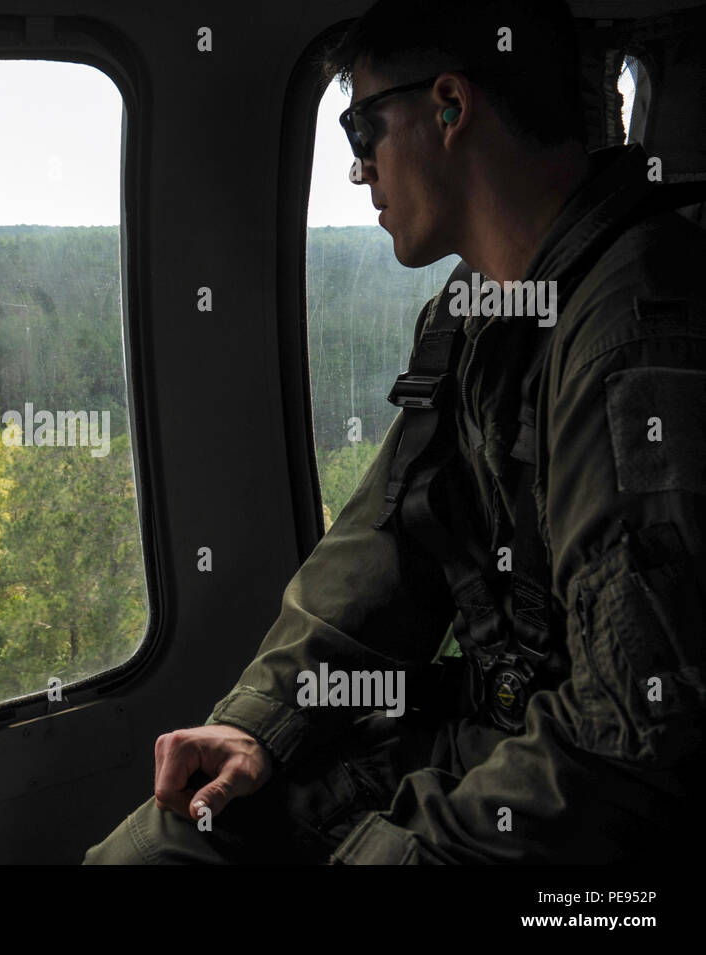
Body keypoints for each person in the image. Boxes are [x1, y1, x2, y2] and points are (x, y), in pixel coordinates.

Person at [87, 0, 706, 863]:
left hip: (591, 814)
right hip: (486, 736)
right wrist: (263, 726)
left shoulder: (636, 332)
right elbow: (386, 547)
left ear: (450, 107)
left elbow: (638, 735)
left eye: (363, 128)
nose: (357, 171)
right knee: (162, 846)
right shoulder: (476, 314)